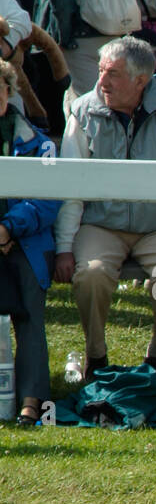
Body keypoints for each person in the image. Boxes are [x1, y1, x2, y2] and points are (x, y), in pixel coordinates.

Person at [53, 36, 156, 379]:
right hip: (101, 224)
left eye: (113, 74)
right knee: (91, 274)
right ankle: (96, 356)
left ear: (141, 82)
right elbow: (70, 187)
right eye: (101, 70)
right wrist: (64, 248)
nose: (102, 81)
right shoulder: (83, 110)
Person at [0, 58, 58, 426]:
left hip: (25, 243)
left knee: (30, 314)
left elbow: (47, 199)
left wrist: (7, 229)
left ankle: (31, 402)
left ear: (8, 92)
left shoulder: (39, 144)